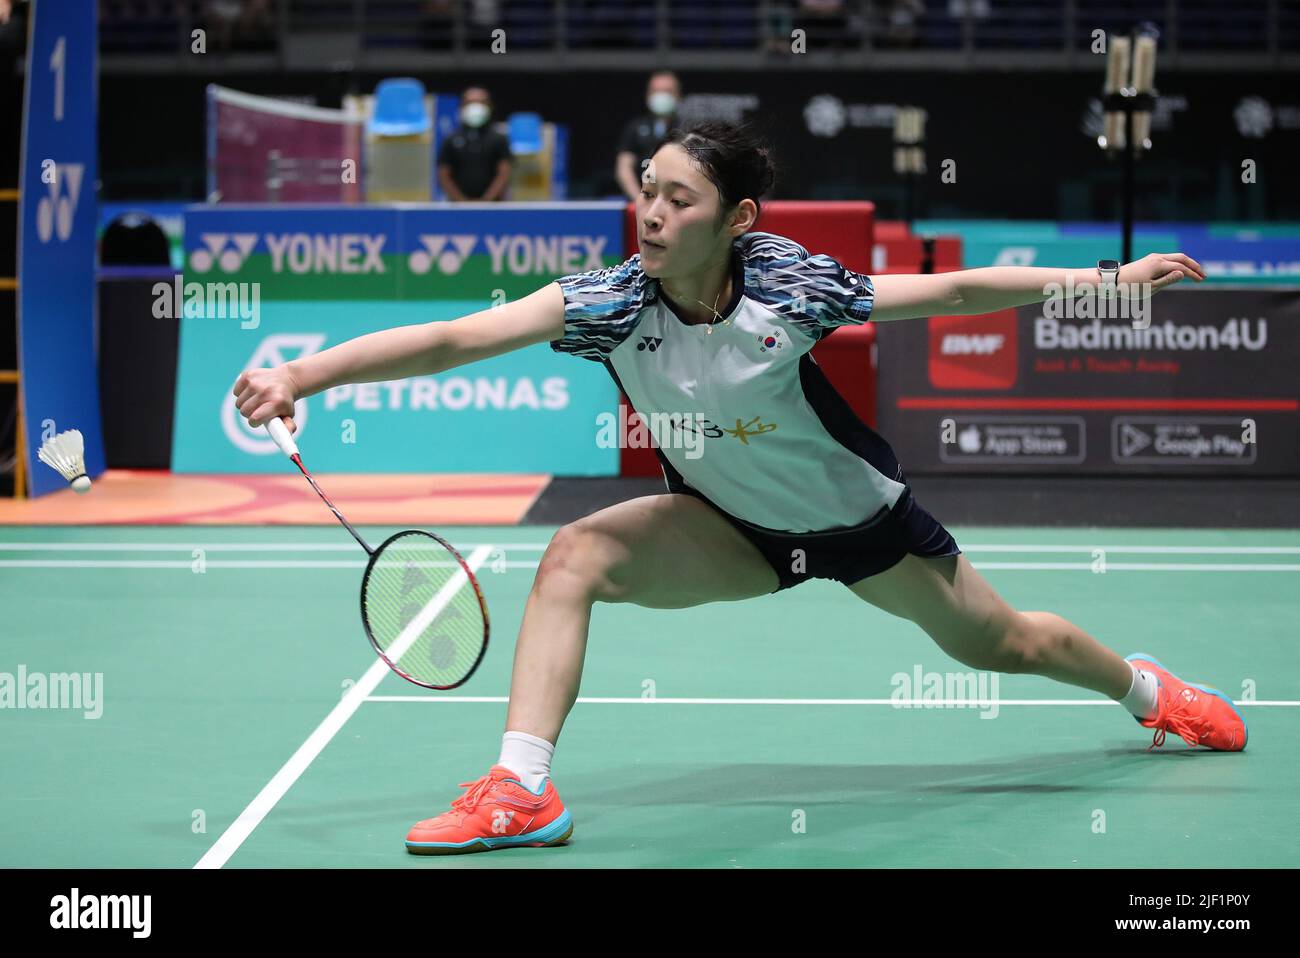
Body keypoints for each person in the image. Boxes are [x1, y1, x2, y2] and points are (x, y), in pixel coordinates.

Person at [232, 120, 1246, 857]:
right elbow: (455, 339)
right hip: (732, 528)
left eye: (679, 198)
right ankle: (523, 788)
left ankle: (1149, 692)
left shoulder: (788, 288)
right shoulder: (610, 303)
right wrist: (300, 375)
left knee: (1007, 643)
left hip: (861, 524)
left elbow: (950, 289)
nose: (652, 211)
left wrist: (1103, 282)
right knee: (573, 556)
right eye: (647, 189)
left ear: (736, 217)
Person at [437, 87, 512, 202]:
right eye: (470, 102)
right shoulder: (450, 140)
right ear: (462, 107)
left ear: (490, 106)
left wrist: (486, 201)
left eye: (481, 102)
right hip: (457, 207)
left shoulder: (499, 139)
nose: (476, 107)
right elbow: (443, 175)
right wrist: (462, 202)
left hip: (493, 206)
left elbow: (504, 173)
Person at [615, 71, 680, 201]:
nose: (661, 96)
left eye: (667, 91)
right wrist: (640, 200)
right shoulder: (635, 127)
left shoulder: (688, 129)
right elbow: (624, 168)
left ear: (678, 96)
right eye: (656, 91)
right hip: (642, 199)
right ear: (648, 95)